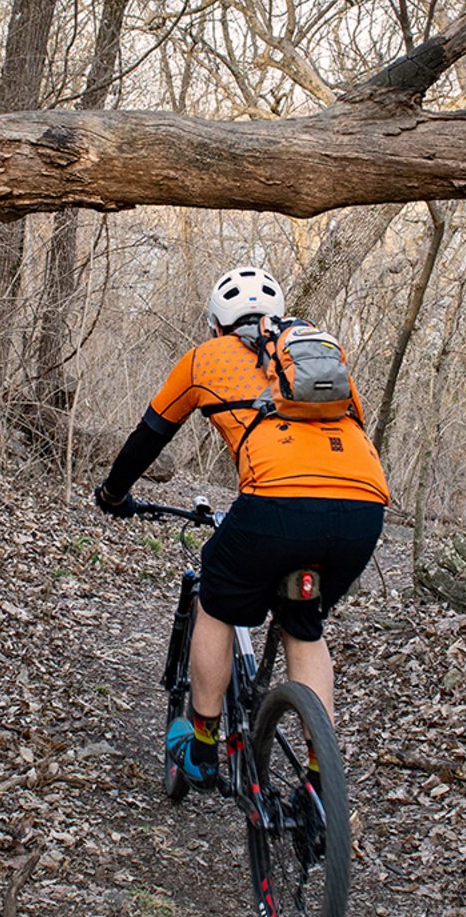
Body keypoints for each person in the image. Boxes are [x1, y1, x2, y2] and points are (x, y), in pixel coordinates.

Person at [93, 265, 388, 790]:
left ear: (216, 324)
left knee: (216, 598)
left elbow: (150, 434)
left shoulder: (205, 359)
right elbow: (358, 429)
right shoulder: (319, 355)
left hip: (275, 503)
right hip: (362, 509)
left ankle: (204, 745)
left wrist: (114, 492)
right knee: (303, 621)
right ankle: (323, 776)